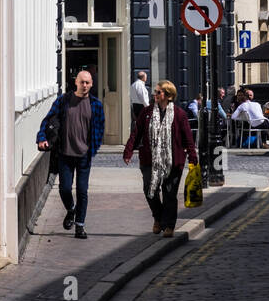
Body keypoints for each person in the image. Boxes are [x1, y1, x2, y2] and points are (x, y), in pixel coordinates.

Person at [122, 80, 197, 238]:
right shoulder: (147, 112)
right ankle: (158, 217)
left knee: (169, 193)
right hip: (150, 159)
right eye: (154, 92)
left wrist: (192, 155)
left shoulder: (179, 114)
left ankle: (169, 225)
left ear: (168, 96)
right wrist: (128, 151)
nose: (154, 95)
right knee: (150, 190)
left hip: (173, 160)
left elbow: (188, 138)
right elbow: (137, 133)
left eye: (158, 92)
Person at [37, 70, 104, 239]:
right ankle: (71, 209)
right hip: (64, 154)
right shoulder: (64, 101)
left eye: (88, 82)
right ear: (76, 82)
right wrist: (42, 138)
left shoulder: (96, 105)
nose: (85, 85)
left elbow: (100, 128)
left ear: (92, 84)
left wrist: (93, 149)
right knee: (64, 188)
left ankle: (80, 226)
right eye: (82, 82)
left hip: (84, 155)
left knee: (82, 191)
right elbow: (47, 120)